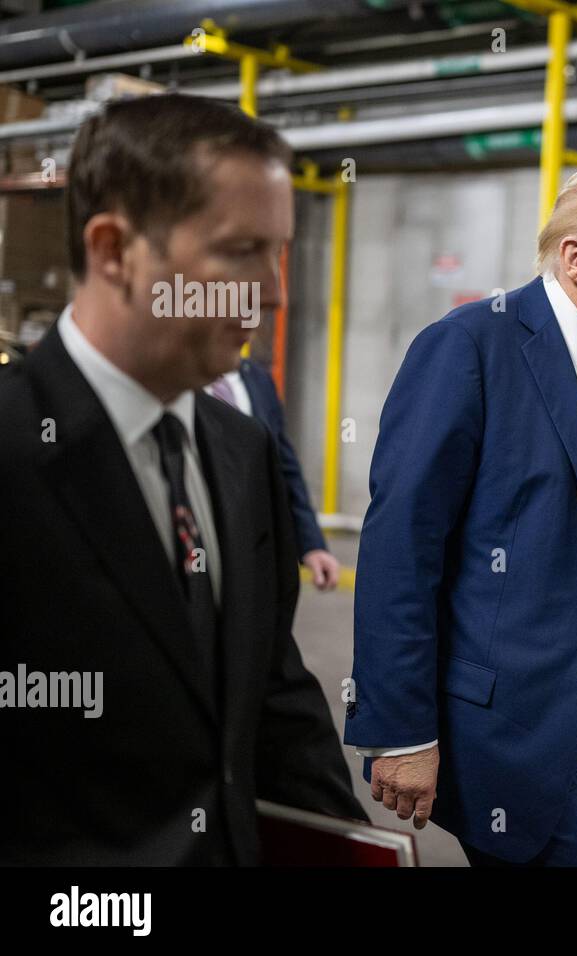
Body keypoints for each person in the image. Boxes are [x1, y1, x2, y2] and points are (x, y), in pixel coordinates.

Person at [0, 94, 365, 865]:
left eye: (279, 253)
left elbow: (273, 694)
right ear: (113, 251)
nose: (272, 290)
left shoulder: (242, 451)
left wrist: (353, 849)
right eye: (239, 252)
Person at [347, 163, 577, 866]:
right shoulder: (471, 348)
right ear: (575, 256)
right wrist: (399, 731)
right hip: (507, 717)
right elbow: (400, 548)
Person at [206, 359, 340, 590]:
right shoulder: (175, 381)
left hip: (255, 553)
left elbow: (285, 468)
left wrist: (311, 544)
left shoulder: (258, 379)